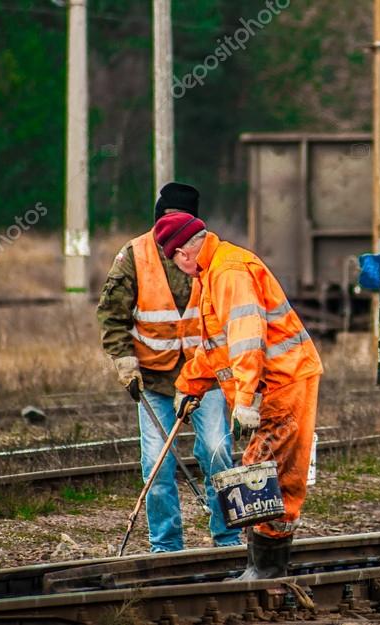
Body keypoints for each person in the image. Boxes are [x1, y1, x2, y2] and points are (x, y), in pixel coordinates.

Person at [153, 212, 322, 580]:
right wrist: (189, 385)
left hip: (281, 382)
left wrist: (245, 401)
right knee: (263, 472)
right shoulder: (212, 271)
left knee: (267, 474)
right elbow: (215, 345)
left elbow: (247, 340)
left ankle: (267, 570)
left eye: (174, 261)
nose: (179, 268)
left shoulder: (227, 272)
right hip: (274, 383)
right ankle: (262, 566)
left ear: (183, 252)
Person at [96, 183, 242, 552]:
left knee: (216, 452)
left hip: (205, 377)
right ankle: (166, 546)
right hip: (155, 380)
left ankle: (228, 538)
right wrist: (124, 361)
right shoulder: (133, 255)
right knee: (156, 466)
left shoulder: (212, 255)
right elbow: (112, 316)